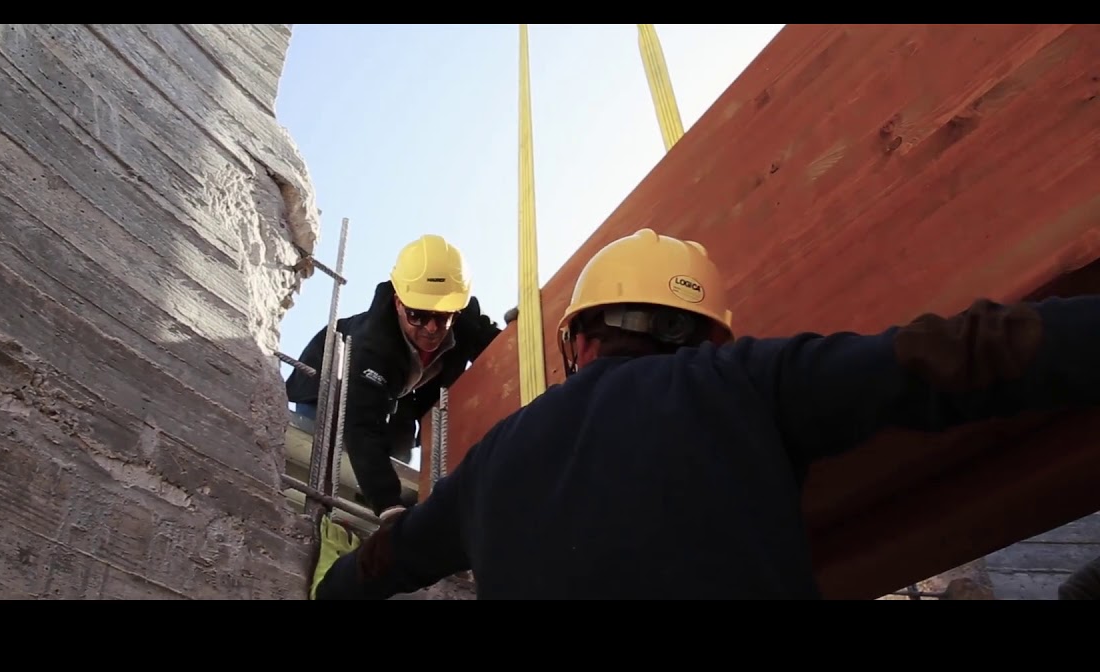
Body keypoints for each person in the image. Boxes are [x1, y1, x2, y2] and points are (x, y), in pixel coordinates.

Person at [308, 227, 1100, 599]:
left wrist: (330, 588)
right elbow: (963, 356)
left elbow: (387, 560)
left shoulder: (493, 463)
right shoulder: (748, 381)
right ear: (710, 330)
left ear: (579, 335)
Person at [285, 234, 501, 519]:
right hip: (326, 384)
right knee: (330, 445)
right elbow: (361, 426)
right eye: (418, 315)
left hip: (396, 397)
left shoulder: (462, 320)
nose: (432, 328)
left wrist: (525, 329)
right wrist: (389, 506)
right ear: (399, 303)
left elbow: (497, 347)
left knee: (399, 452)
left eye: (443, 317)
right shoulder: (373, 344)